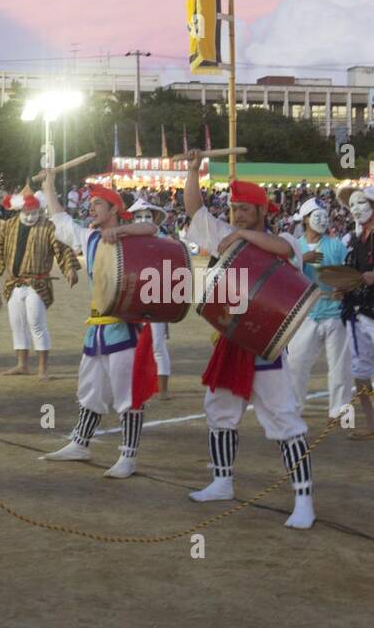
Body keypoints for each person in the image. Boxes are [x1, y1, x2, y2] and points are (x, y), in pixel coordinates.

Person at [183, 152, 315, 529]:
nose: (237, 214)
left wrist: (240, 235)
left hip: (266, 348)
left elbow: (287, 251)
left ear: (261, 212)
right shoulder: (224, 235)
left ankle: (304, 498)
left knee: (285, 421)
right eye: (233, 208)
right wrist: (194, 171)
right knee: (219, 412)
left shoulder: (283, 237)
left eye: (244, 209)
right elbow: (194, 210)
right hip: (229, 343)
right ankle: (222, 481)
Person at [41, 176, 159, 476]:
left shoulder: (132, 237)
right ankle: (80, 442)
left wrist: (122, 230)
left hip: (124, 329)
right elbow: (59, 217)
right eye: (90, 203)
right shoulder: (90, 238)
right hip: (96, 329)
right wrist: (48, 185)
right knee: (90, 389)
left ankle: (129, 456)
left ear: (114, 209)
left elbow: (152, 227)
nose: (91, 208)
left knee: (127, 395)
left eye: (97, 204)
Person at [0, 189, 78, 380]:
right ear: (19, 211)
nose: (31, 217)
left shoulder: (49, 227)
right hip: (13, 283)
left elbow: (62, 248)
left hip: (37, 283)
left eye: (34, 213)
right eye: (27, 213)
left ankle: (43, 368)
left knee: (36, 324)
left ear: (40, 211)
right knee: (17, 324)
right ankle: (22, 364)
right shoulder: (8, 226)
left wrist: (70, 269)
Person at [288, 198, 352, 422]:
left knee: (339, 365)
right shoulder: (295, 246)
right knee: (296, 362)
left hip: (334, 313)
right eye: (317, 215)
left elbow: (349, 274)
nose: (322, 219)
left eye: (325, 215)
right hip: (306, 314)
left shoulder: (336, 245)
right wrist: (301, 259)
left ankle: (340, 409)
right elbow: (284, 274)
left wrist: (343, 288)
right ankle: (294, 406)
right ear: (305, 219)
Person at [129, 198, 174, 398]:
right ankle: (135, 383)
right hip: (133, 296)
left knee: (157, 343)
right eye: (138, 217)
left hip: (157, 296)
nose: (143, 220)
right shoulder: (127, 242)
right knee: (131, 340)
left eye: (147, 216)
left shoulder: (166, 242)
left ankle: (162, 388)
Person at [338, 185, 374, 438]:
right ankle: (372, 424)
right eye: (352, 205)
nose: (355, 209)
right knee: (360, 372)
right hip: (358, 312)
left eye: (362, 203)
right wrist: (342, 290)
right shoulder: (354, 239)